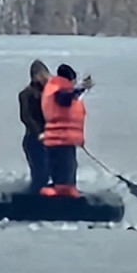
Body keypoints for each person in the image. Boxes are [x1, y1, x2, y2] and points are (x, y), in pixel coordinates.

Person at [38, 64, 92, 197]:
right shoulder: (58, 89)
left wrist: (81, 89)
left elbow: (70, 96)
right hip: (60, 139)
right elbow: (65, 98)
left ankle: (64, 188)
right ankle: (63, 192)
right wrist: (81, 88)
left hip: (61, 139)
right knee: (64, 168)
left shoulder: (55, 88)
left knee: (67, 167)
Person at [18, 60, 51, 191]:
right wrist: (39, 133)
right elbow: (25, 117)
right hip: (34, 139)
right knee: (40, 174)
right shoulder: (25, 94)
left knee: (57, 173)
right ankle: (34, 199)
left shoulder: (53, 94)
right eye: (40, 75)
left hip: (53, 140)